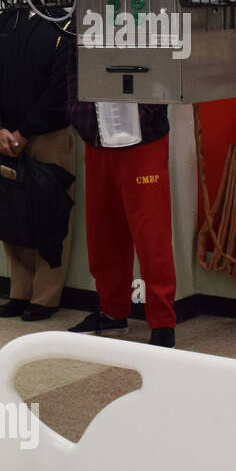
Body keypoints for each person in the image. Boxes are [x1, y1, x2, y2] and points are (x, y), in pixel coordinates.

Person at [65, 44, 177, 347]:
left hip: (144, 142)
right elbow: (72, 71)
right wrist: (81, 117)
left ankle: (163, 323)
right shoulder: (82, 16)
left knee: (151, 235)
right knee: (103, 233)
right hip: (98, 138)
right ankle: (111, 313)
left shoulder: (151, 10)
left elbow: (163, 70)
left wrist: (144, 114)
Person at [0, 7, 75, 321]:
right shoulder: (8, 19)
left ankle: (46, 296)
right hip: (6, 136)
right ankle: (19, 292)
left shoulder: (67, 21)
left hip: (48, 134)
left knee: (50, 213)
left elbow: (61, 84)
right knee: (11, 214)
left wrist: (26, 130)